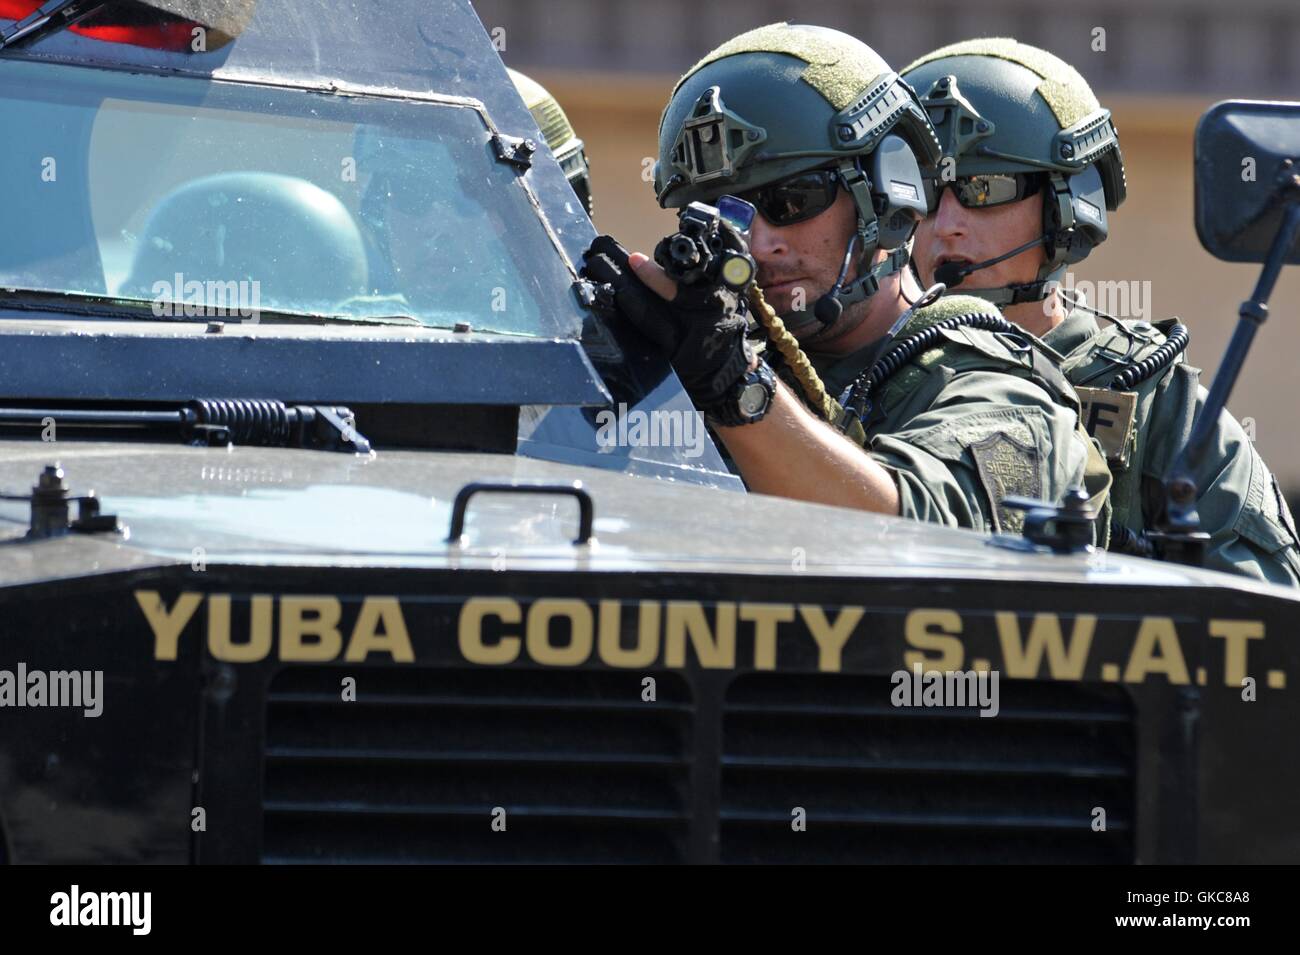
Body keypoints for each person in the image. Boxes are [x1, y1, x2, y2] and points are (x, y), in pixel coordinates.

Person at [582, 23, 1109, 536]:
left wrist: (736, 391)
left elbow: (919, 544)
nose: (761, 244)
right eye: (728, 216)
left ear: (884, 194)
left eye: (792, 201)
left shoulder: (998, 388)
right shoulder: (698, 365)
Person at [904, 38, 1300, 583]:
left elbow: (1265, 618)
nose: (944, 222)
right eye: (925, 191)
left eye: (982, 188)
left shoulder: (1160, 406)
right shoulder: (850, 368)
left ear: (1065, 207)